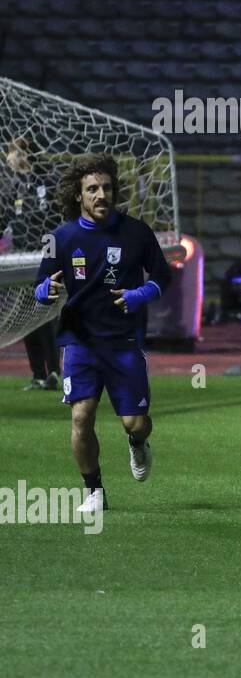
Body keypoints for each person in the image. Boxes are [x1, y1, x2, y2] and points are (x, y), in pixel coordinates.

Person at [33, 154, 172, 513]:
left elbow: (163, 278)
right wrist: (44, 289)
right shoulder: (60, 238)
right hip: (79, 341)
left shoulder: (136, 232)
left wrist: (140, 294)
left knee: (136, 423)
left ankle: (138, 443)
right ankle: (94, 490)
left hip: (124, 342)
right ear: (78, 195)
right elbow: (40, 283)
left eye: (107, 188)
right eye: (92, 189)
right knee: (81, 416)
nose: (101, 195)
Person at [4, 137, 60, 390]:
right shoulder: (16, 187)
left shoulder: (44, 181)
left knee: (45, 315)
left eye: (11, 154)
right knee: (26, 317)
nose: (8, 159)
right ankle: (38, 374)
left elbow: (52, 219)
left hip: (43, 258)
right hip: (22, 260)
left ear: (23, 155)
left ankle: (55, 372)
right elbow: (5, 219)